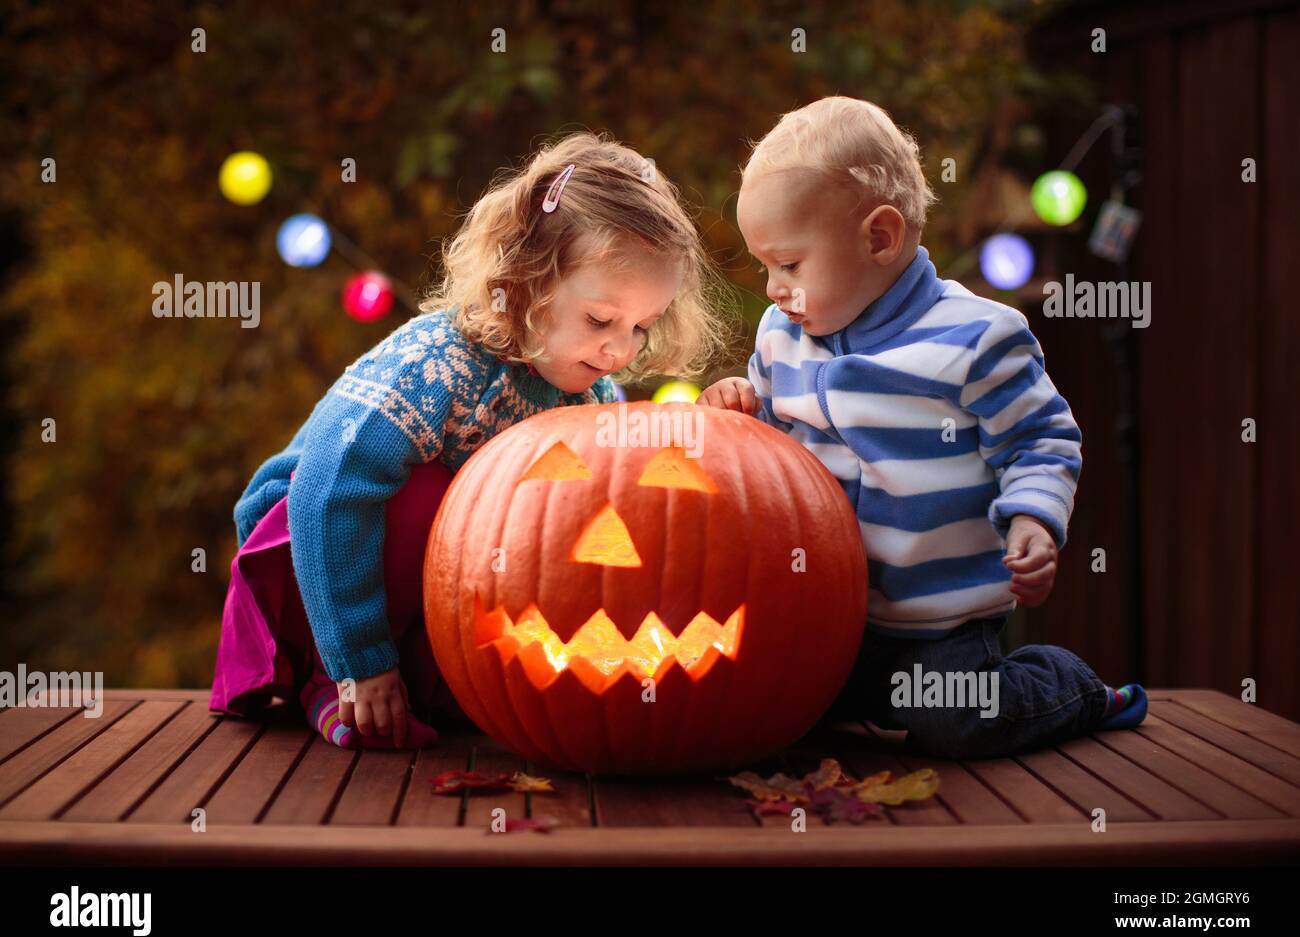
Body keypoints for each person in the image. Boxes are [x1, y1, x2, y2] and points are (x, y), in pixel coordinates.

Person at [211, 131, 730, 750]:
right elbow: (328, 491)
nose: (620, 348)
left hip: (424, 589)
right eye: (600, 320)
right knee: (427, 493)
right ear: (530, 280)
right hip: (310, 558)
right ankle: (333, 683)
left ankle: (438, 685)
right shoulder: (438, 367)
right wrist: (362, 662)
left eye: (641, 326)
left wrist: (717, 420)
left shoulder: (593, 391)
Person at [699, 97, 1146, 759]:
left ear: (879, 239)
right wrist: (738, 402)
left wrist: (1033, 517)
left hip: (938, 622)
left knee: (953, 719)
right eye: (766, 267)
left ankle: (1068, 685)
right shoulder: (784, 336)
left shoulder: (976, 339)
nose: (772, 288)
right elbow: (770, 447)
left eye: (789, 265)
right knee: (767, 705)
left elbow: (1040, 438)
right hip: (825, 615)